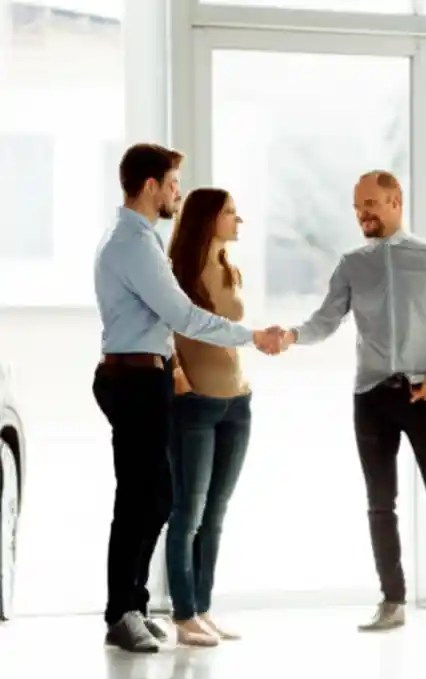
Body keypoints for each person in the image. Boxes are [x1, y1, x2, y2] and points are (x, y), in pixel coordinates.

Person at [92, 143, 282, 653]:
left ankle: (131, 603)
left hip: (142, 375)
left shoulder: (140, 239)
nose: (178, 191)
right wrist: (251, 335)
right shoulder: (133, 244)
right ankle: (121, 612)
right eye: (173, 182)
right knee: (141, 497)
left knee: (151, 495)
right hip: (132, 378)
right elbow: (184, 316)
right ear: (151, 186)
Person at [276, 170, 426, 637]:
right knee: (381, 503)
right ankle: (392, 600)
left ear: (395, 201)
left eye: (371, 204)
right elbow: (324, 321)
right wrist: (292, 335)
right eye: (358, 206)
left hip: (424, 394)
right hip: (371, 399)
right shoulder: (351, 265)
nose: (363, 213)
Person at [164, 187, 254, 647]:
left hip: (237, 403)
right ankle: (182, 614)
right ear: (207, 219)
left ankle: (202, 607)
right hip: (195, 405)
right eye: (230, 213)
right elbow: (161, 327)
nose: (239, 221)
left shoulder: (229, 267)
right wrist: (178, 373)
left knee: (215, 513)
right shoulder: (175, 271)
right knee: (188, 512)